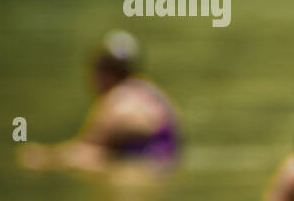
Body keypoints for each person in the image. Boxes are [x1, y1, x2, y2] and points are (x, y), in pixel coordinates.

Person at [19, 30, 180, 172]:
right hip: (167, 168)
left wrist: (44, 157)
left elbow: (86, 149)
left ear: (102, 73)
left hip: (135, 173)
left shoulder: (117, 101)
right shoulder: (154, 95)